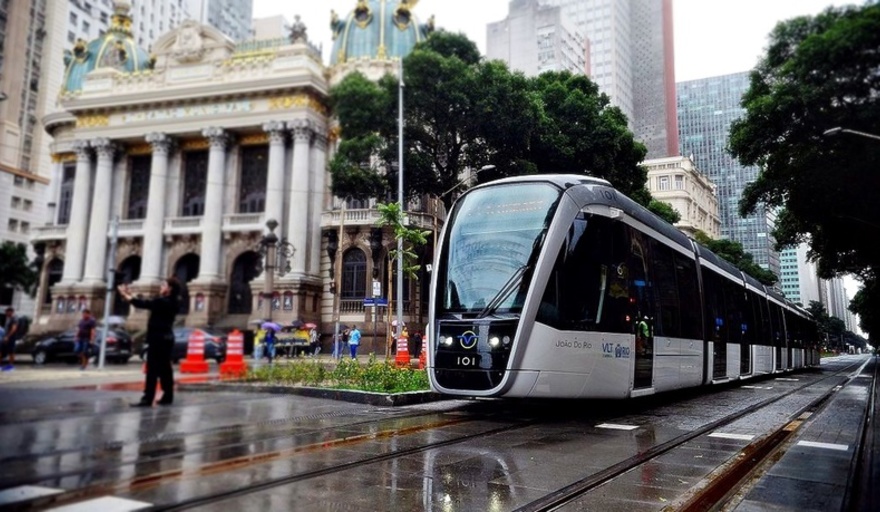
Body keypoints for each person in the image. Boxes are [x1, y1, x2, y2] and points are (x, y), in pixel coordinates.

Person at [118, 278, 181, 407]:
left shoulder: (162, 302)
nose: (161, 287)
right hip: (167, 337)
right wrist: (130, 295)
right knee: (165, 369)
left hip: (158, 338)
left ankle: (147, 398)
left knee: (152, 369)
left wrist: (125, 294)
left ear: (170, 289)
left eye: (163, 285)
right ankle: (167, 396)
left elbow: (141, 304)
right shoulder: (175, 302)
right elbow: (144, 302)